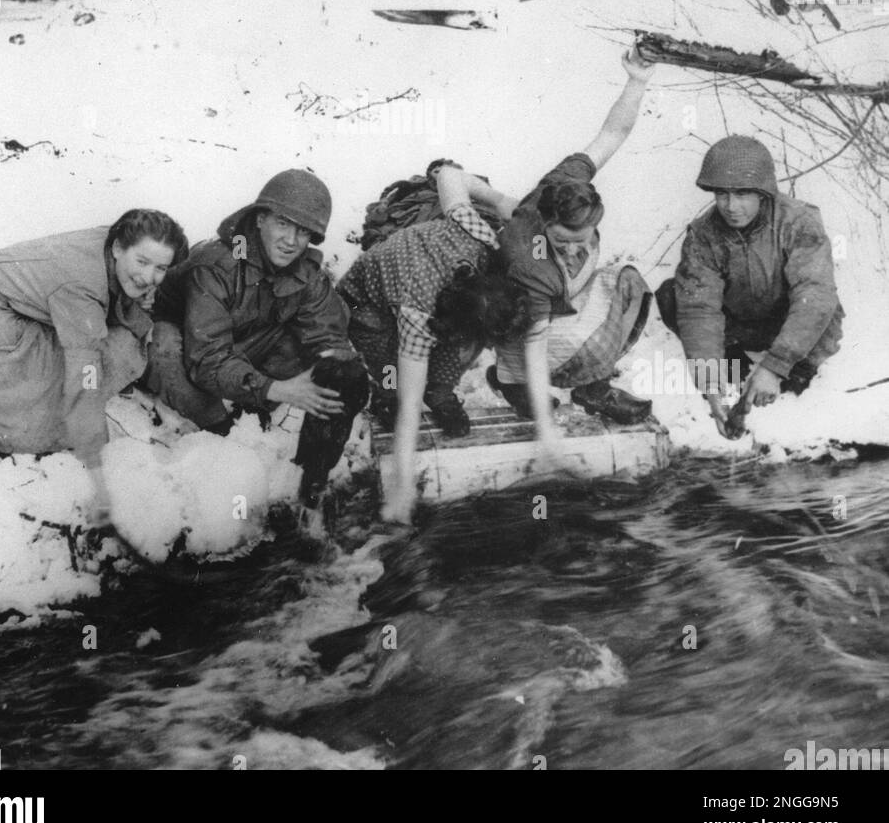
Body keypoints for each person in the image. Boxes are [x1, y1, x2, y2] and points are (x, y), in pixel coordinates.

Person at [0, 209, 188, 522]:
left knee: (121, 332)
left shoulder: (110, 242)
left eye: (160, 268)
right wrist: (100, 482)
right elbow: (84, 379)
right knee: (120, 350)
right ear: (117, 249)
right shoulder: (80, 286)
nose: (149, 277)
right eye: (142, 262)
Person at [144, 170, 367, 508]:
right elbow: (208, 359)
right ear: (260, 219)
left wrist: (339, 373)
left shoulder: (306, 273)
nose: (291, 240)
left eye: (303, 231)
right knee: (165, 347)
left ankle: (311, 477)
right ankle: (220, 427)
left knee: (341, 371)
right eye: (283, 224)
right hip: (191, 345)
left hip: (244, 342)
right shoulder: (216, 265)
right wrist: (275, 389)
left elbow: (330, 335)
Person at [338, 165, 531, 524]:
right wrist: (402, 486)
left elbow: (447, 174)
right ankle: (383, 392)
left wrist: (501, 200)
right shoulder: (418, 314)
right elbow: (411, 409)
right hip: (367, 305)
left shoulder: (480, 238)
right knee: (396, 375)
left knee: (456, 350)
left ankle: (440, 391)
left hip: (437, 298)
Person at [488, 48, 658, 450]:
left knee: (629, 283)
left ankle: (592, 387)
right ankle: (514, 386)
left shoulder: (566, 181)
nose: (571, 249)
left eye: (581, 239)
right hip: (519, 323)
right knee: (581, 343)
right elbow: (533, 340)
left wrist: (637, 80)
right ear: (543, 223)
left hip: (563, 297)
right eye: (560, 241)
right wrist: (546, 429)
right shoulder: (528, 261)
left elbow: (611, 135)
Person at [655, 136, 843, 437]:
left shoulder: (798, 221)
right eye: (722, 194)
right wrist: (711, 386)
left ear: (763, 193)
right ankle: (736, 368)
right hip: (743, 322)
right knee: (672, 295)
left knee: (820, 309)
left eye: (742, 194)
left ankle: (796, 374)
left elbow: (815, 296)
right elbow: (700, 310)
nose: (731, 206)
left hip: (791, 320)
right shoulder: (703, 234)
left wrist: (774, 366)